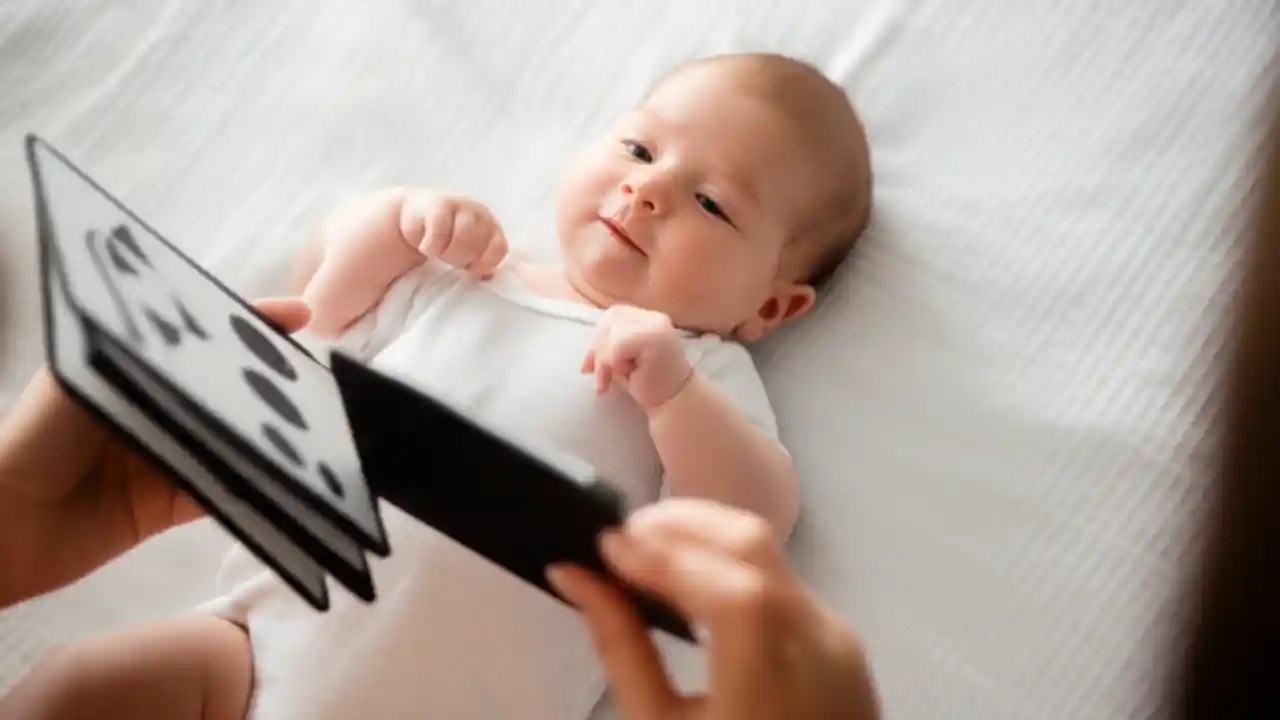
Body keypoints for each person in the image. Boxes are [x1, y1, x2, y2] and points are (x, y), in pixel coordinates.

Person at [1, 52, 874, 719]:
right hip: (251, 647)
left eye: (713, 203)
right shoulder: (465, 277)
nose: (647, 191)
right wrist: (392, 223)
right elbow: (322, 308)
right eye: (639, 147)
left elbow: (752, 522)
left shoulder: (702, 373)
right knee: (73, 686)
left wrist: (672, 392)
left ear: (771, 303)